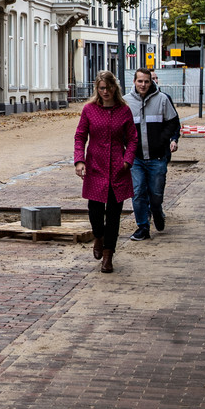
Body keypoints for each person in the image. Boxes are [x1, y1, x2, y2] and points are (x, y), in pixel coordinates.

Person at [74, 70, 137, 273]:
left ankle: (108, 254)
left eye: (109, 88)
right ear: (97, 89)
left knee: (113, 214)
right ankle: (98, 236)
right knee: (95, 211)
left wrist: (127, 161)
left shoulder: (124, 110)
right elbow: (80, 136)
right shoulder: (89, 109)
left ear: (114, 88)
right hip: (95, 167)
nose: (105, 92)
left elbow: (133, 139)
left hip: (118, 168)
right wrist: (79, 161)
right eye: (101, 88)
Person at [125, 68, 181, 240]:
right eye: (140, 81)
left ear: (152, 82)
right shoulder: (125, 102)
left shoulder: (162, 100)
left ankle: (157, 211)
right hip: (136, 158)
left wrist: (162, 140)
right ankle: (143, 227)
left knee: (156, 194)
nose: (143, 85)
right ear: (134, 82)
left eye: (146, 81)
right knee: (138, 191)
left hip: (157, 156)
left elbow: (173, 123)